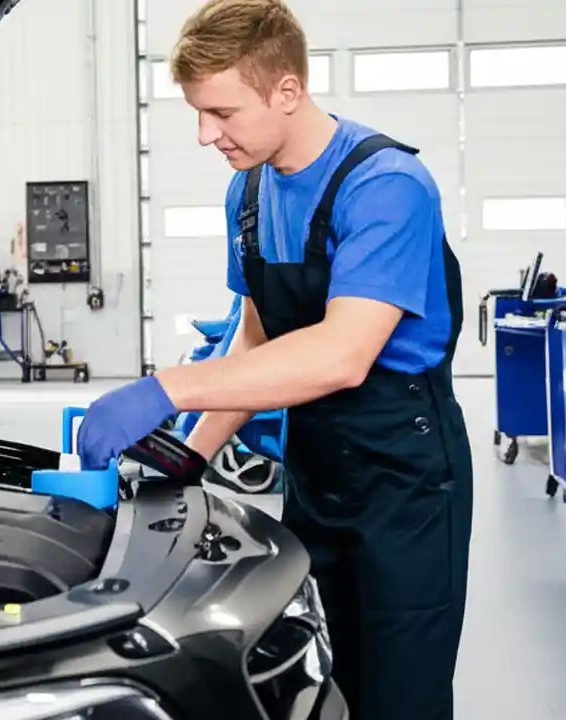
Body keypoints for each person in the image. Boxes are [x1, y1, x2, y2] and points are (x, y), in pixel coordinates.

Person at [75, 1, 473, 718]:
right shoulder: (249, 192)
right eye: (198, 113)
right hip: (315, 467)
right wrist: (190, 457)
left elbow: (342, 354)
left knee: (401, 694)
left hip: (406, 478)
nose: (206, 135)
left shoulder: (386, 186)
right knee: (324, 679)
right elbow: (257, 340)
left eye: (222, 112)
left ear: (287, 90)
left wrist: (168, 389)